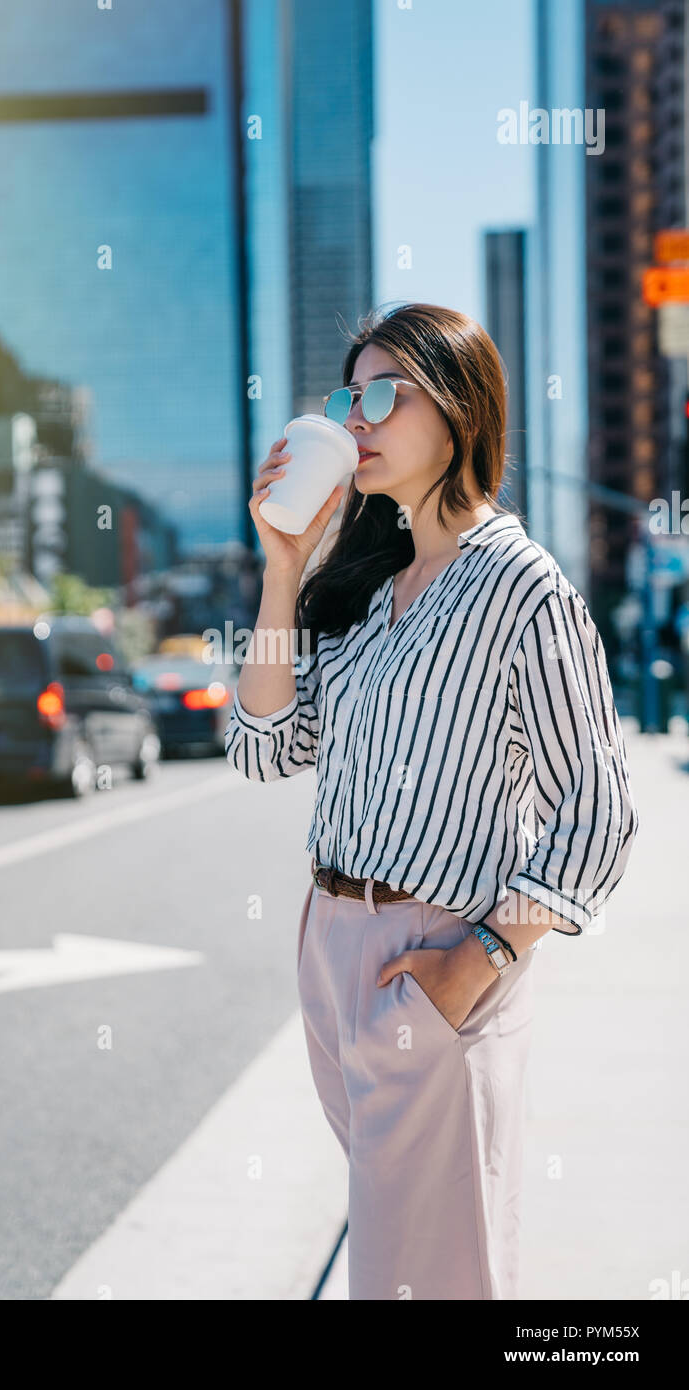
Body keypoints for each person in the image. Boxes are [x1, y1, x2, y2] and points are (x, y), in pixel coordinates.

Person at [224, 302, 640, 1301]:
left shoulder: (521, 587)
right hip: (333, 951)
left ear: (459, 410)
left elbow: (598, 812)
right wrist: (283, 569)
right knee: (414, 1258)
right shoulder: (370, 586)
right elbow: (262, 748)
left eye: (382, 396)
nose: (353, 421)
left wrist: (479, 957)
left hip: (435, 952)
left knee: (423, 1275)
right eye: (345, 399)